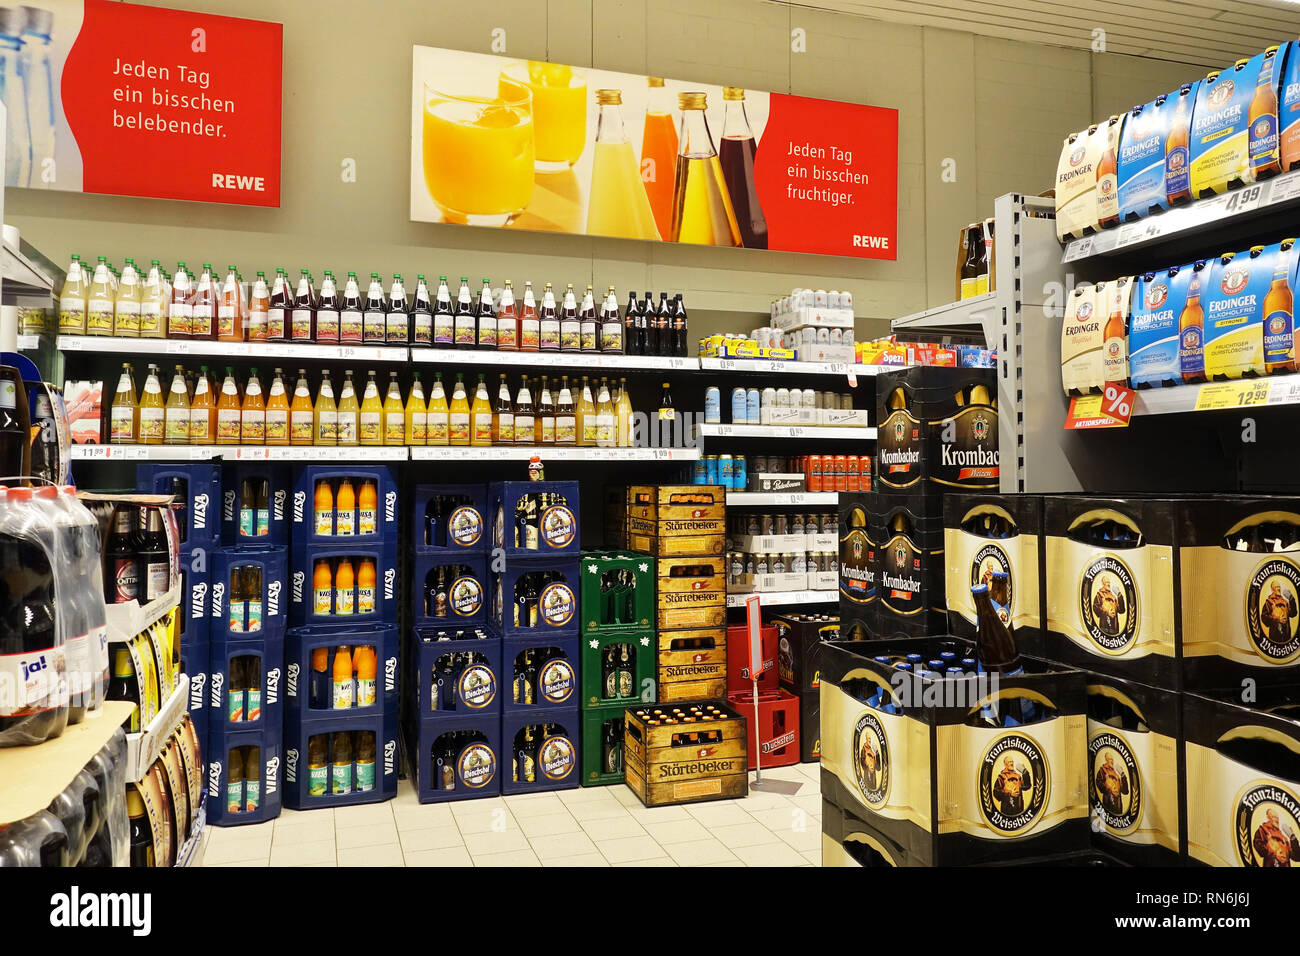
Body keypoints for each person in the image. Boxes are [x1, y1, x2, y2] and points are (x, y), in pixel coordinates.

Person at [1262, 581, 1297, 647]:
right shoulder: (1268, 602)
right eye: (1276, 587)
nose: (1278, 588)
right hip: (1275, 637)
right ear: (1272, 589)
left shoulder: (1285, 602)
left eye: (1279, 587)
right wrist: (1277, 620)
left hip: (1287, 636)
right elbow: (1264, 618)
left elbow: (1293, 613)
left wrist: (1292, 600)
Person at [1094, 751, 1129, 816]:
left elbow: (1125, 791)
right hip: (1108, 802)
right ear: (1106, 759)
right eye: (1110, 759)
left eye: (1112, 759)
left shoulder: (1116, 772)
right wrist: (1108, 786)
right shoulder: (1102, 770)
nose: (1112, 761)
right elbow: (1099, 784)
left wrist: (1123, 776)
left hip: (1118, 804)